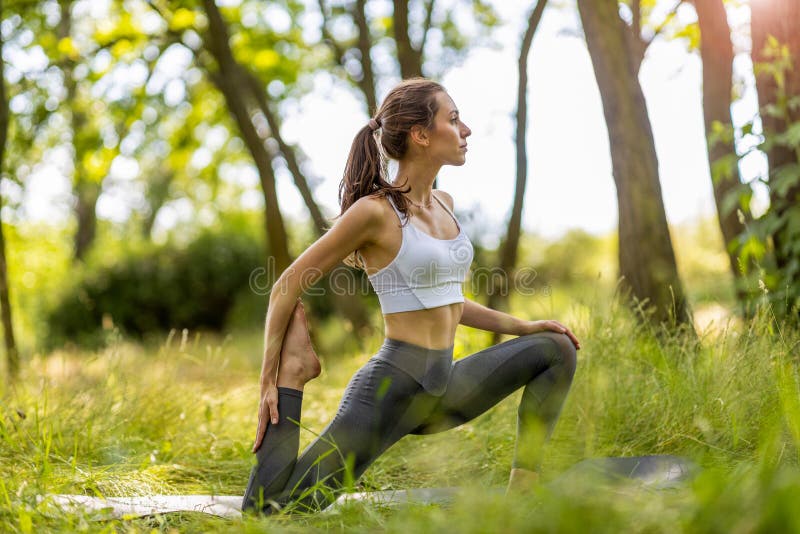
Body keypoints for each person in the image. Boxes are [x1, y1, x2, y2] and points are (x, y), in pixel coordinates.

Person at [242, 78, 580, 514]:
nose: (466, 130)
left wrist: (524, 326)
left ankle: (524, 489)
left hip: (445, 387)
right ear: (421, 135)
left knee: (555, 348)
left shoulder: (444, 203)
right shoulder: (375, 213)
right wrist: (269, 379)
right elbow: (287, 284)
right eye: (454, 119)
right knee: (272, 513)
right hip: (390, 391)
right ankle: (294, 373)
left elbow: (448, 302)